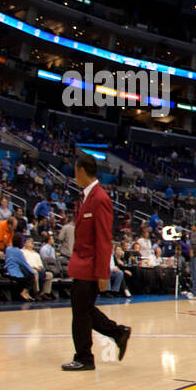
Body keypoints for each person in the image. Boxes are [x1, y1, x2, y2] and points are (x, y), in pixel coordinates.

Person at [63, 154, 130, 371]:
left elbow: (103, 238)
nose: (74, 175)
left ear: (81, 170)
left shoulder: (100, 198)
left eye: (75, 171)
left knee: (81, 313)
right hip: (83, 265)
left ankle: (84, 357)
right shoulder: (86, 197)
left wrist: (103, 273)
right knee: (83, 309)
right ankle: (118, 333)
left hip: (91, 267)